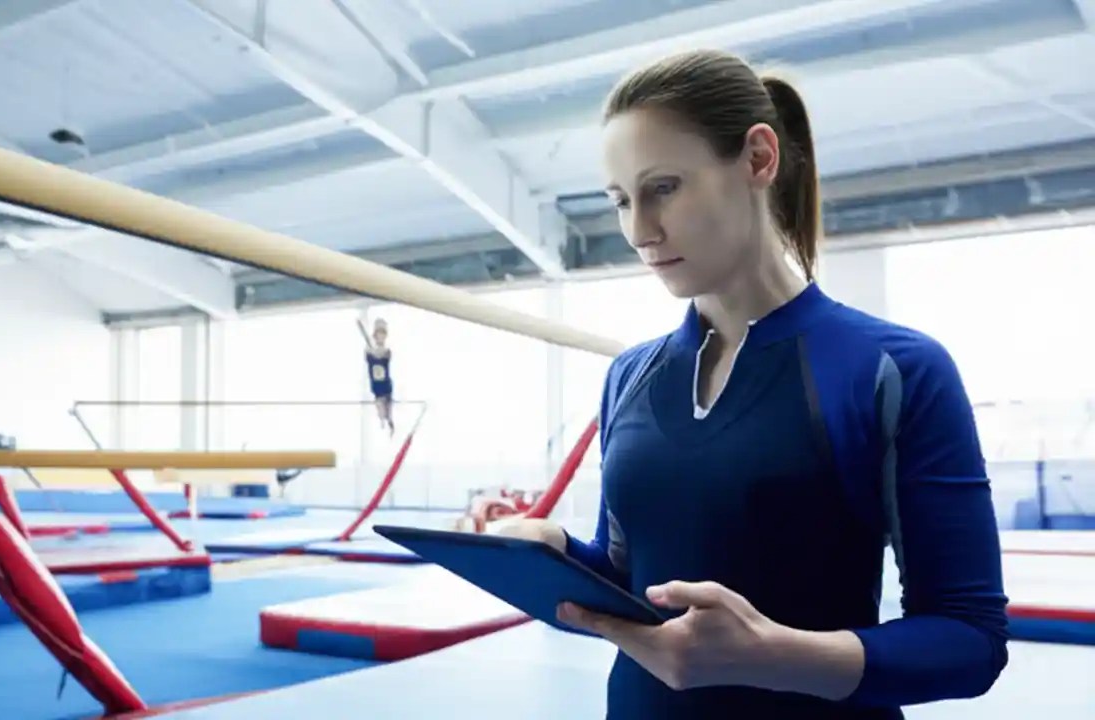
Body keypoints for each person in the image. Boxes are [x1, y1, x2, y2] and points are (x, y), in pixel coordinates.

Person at [493, 49, 1008, 718]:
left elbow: (971, 639)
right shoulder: (630, 377)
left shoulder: (894, 369)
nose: (639, 231)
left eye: (663, 188)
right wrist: (554, 555)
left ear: (759, 159)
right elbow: (633, 584)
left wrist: (771, 655)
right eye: (620, 201)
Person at [357, 316, 395, 436]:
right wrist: (372, 353)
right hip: (376, 386)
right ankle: (383, 422)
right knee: (380, 404)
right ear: (375, 335)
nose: (381, 336)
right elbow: (368, 357)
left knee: (387, 405)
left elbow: (386, 356)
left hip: (386, 386)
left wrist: (378, 354)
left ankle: (389, 423)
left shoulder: (387, 350)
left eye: (383, 333)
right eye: (379, 333)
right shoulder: (369, 350)